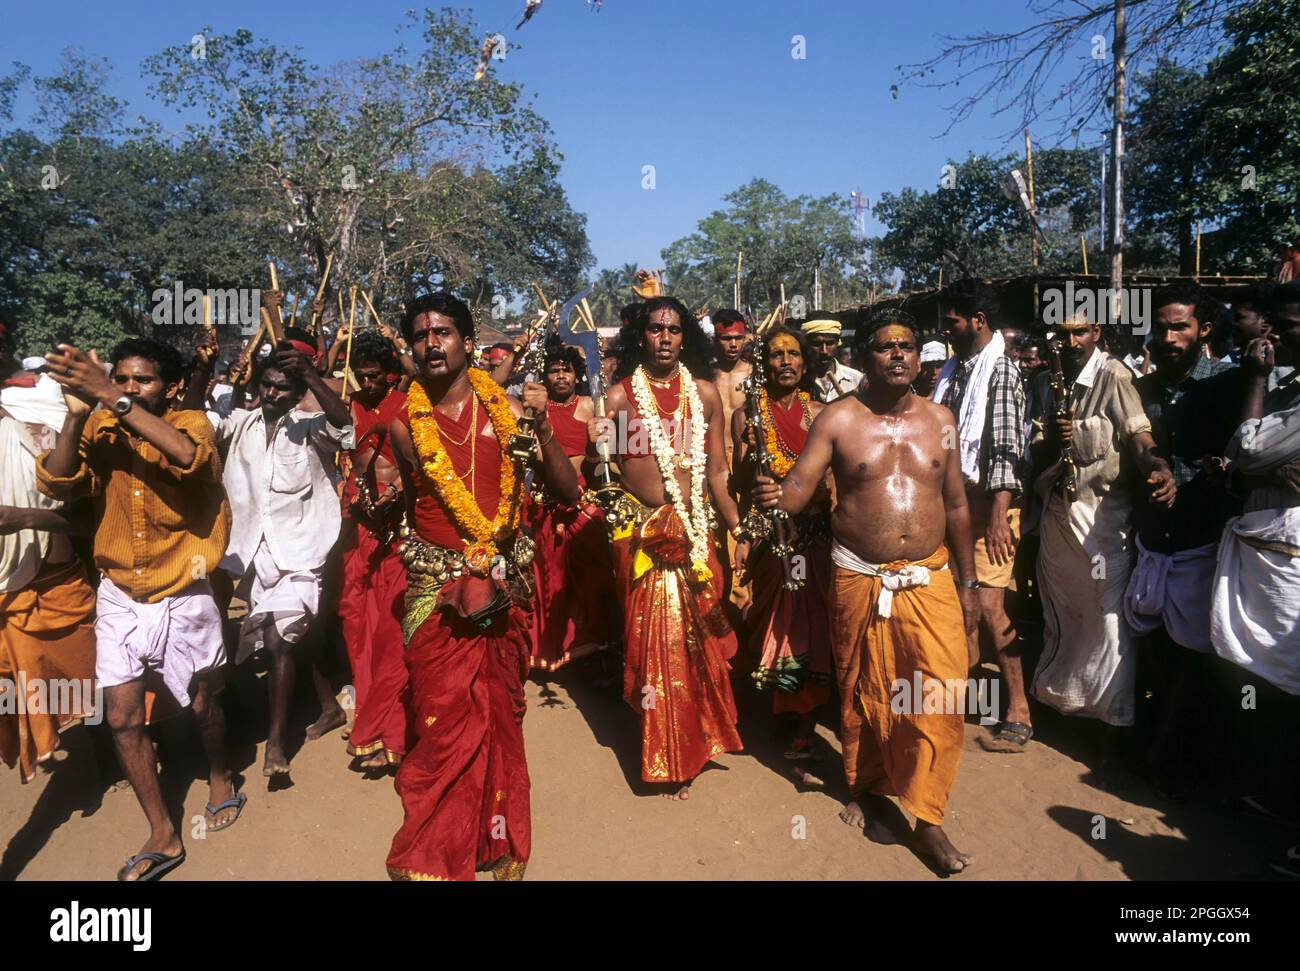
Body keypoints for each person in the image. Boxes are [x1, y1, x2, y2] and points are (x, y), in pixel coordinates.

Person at [752, 309, 981, 874]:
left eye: (907, 345)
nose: (899, 355)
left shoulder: (940, 419)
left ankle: (927, 818)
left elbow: (955, 504)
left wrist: (970, 581)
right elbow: (801, 487)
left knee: (941, 691)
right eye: (885, 347)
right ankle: (868, 788)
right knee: (863, 687)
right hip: (859, 575)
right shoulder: (838, 419)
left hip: (929, 577)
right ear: (866, 357)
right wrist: (771, 496)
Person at [385, 292, 579, 881]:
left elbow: (568, 493)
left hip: (505, 584)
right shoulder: (402, 426)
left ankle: (496, 840)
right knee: (443, 720)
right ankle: (435, 855)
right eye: (419, 336)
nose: (431, 344)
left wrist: (543, 431)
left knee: (499, 714)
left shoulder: (515, 413)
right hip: (436, 588)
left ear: (468, 341)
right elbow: (405, 503)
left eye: (442, 332)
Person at [38, 337, 239, 881]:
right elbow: (57, 479)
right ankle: (163, 832)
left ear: (169, 386)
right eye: (120, 379)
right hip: (121, 593)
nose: (128, 389)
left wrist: (106, 393)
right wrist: (78, 416)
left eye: (141, 380)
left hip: (183, 588)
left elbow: (188, 458)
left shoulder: (194, 423)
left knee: (202, 705)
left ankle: (221, 774)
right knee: (122, 717)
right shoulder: (100, 428)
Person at [588, 296, 744, 800]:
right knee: (657, 648)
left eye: (674, 330)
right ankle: (669, 751)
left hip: (698, 531)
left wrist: (736, 527)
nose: (665, 338)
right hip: (647, 537)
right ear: (642, 335)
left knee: (700, 644)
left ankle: (702, 738)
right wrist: (599, 457)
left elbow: (717, 471)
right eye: (656, 329)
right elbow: (605, 476)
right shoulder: (616, 400)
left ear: (685, 337)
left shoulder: (706, 395)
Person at [1027, 310, 1176, 766]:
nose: (1070, 341)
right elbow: (1036, 452)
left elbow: (1138, 433)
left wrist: (1157, 466)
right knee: (1065, 618)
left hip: (1105, 522)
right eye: (1063, 332)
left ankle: (1114, 730)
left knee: (1110, 626)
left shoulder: (1114, 375)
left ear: (1096, 334)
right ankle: (1066, 709)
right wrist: (1052, 438)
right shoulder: (1045, 382)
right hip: (1059, 517)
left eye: (1080, 332)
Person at [217, 342, 352, 777]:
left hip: (302, 552)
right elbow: (194, 425)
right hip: (254, 552)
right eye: (267, 385)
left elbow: (346, 430)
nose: (273, 394)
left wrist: (312, 375)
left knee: (278, 641)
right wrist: (204, 369)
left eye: (283, 388)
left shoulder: (311, 427)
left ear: (296, 394)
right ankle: (329, 706)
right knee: (297, 641)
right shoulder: (239, 425)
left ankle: (276, 746)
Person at [1125, 284, 1240, 794]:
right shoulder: (1142, 391)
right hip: (1153, 542)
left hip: (1203, 542)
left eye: (1181, 327)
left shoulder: (1231, 385)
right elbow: (1137, 446)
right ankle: (1160, 741)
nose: (1169, 338)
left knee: (1193, 656)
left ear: (1204, 330)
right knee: (1154, 645)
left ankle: (1165, 754)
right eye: (1162, 328)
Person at [931, 280, 1032, 752]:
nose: (945, 329)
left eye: (952, 321)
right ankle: (966, 700)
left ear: (978, 321)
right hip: (955, 508)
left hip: (990, 508)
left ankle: (1019, 710)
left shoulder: (1002, 371)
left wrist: (999, 515)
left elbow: (1009, 448)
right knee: (957, 606)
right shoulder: (953, 371)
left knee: (991, 608)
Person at [731, 326, 831, 782]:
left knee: (807, 632)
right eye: (775, 355)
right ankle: (784, 706)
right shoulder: (745, 416)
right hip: (770, 541)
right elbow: (737, 481)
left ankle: (803, 727)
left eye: (793, 354)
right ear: (763, 364)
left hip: (816, 538)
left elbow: (837, 483)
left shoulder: (823, 415)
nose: (785, 361)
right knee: (773, 628)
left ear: (806, 363)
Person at [0, 354, 96, 784]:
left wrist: (24, 519)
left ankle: (121, 744)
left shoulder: (43, 416)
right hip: (7, 600)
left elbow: (87, 521)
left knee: (94, 683)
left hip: (57, 588)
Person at [1212, 281, 1300, 694]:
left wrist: (1254, 381)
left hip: (1287, 555)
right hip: (1268, 549)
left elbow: (1245, 450)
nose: (1273, 335)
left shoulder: (1271, 384)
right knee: (1258, 670)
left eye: (1286, 325)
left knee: (1281, 671)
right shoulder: (1290, 386)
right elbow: (1239, 467)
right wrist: (1260, 474)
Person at [339, 331, 409, 770]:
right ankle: (367, 711)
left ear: (391, 374)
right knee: (357, 622)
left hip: (401, 529)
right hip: (360, 526)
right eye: (360, 377)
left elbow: (423, 464)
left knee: (391, 629)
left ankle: (392, 728)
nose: (367, 385)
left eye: (375, 377)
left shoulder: (410, 404)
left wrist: (398, 489)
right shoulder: (348, 407)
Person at [525, 338, 615, 671]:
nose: (560, 376)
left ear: (577, 375)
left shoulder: (595, 407)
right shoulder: (535, 411)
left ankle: (593, 647)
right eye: (553, 371)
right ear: (545, 377)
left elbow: (606, 461)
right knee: (549, 579)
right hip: (546, 504)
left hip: (586, 504)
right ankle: (552, 650)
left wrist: (595, 448)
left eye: (567, 370)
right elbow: (532, 459)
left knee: (592, 579)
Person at [710, 310, 752, 470]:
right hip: (713, 457)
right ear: (715, 340)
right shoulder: (705, 376)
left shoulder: (754, 375)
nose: (733, 344)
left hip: (747, 458)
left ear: (745, 338)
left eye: (738, 338)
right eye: (726, 339)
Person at [803, 316, 863, 402]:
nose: (824, 351)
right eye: (816, 344)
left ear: (838, 343)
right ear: (806, 344)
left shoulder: (857, 380)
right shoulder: (798, 383)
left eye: (830, 343)